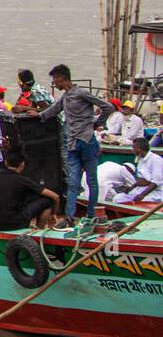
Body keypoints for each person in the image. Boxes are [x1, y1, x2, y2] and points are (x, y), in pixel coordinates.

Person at [27, 64, 115, 228]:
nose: (55, 84)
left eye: (55, 80)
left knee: (91, 180)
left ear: (61, 78)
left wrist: (96, 124)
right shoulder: (65, 97)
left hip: (87, 141)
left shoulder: (81, 93)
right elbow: (53, 111)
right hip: (72, 143)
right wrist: (37, 115)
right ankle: (69, 217)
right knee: (73, 182)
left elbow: (107, 106)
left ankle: (90, 215)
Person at [0, 150, 60, 231]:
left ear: (6, 163)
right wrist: (54, 214)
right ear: (22, 165)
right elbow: (56, 197)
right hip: (12, 222)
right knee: (47, 201)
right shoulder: (22, 180)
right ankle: (40, 230)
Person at [103, 138, 163, 203]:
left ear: (138, 148)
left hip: (153, 192)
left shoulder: (156, 159)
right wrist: (131, 187)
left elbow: (157, 182)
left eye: (133, 148)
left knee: (130, 201)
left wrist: (142, 195)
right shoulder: (141, 159)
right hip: (139, 190)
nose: (133, 150)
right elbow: (141, 180)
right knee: (118, 198)